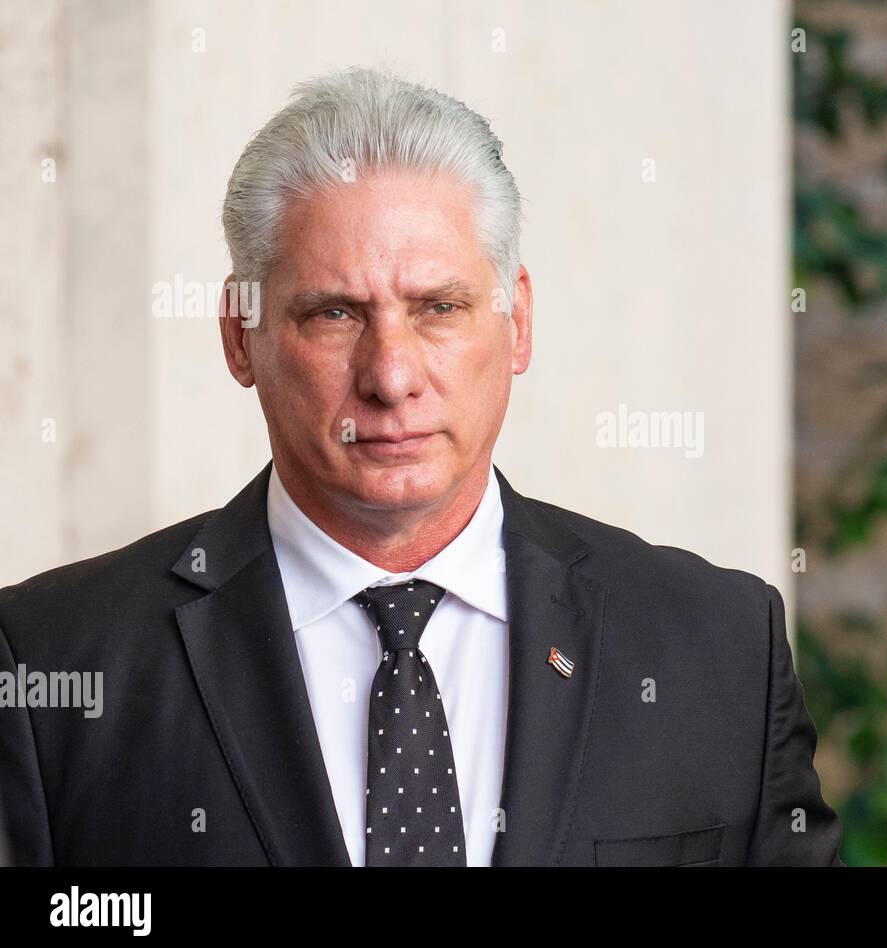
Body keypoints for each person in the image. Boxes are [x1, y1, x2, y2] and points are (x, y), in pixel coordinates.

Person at [0, 67, 843, 866]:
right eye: (334, 313)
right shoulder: (52, 666)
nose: (392, 375)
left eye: (438, 308)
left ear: (516, 325)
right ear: (239, 336)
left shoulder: (720, 651)